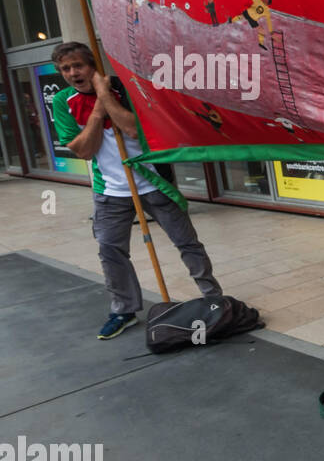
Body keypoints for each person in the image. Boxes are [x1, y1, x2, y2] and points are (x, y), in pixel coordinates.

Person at [49, 41, 222, 339]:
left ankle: (214, 298)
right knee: (110, 250)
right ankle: (123, 310)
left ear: (93, 66)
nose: (73, 72)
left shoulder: (123, 88)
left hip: (152, 181)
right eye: (65, 68)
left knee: (187, 243)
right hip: (109, 190)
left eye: (78, 65)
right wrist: (97, 113)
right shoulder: (63, 101)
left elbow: (134, 130)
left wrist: (105, 96)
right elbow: (84, 150)